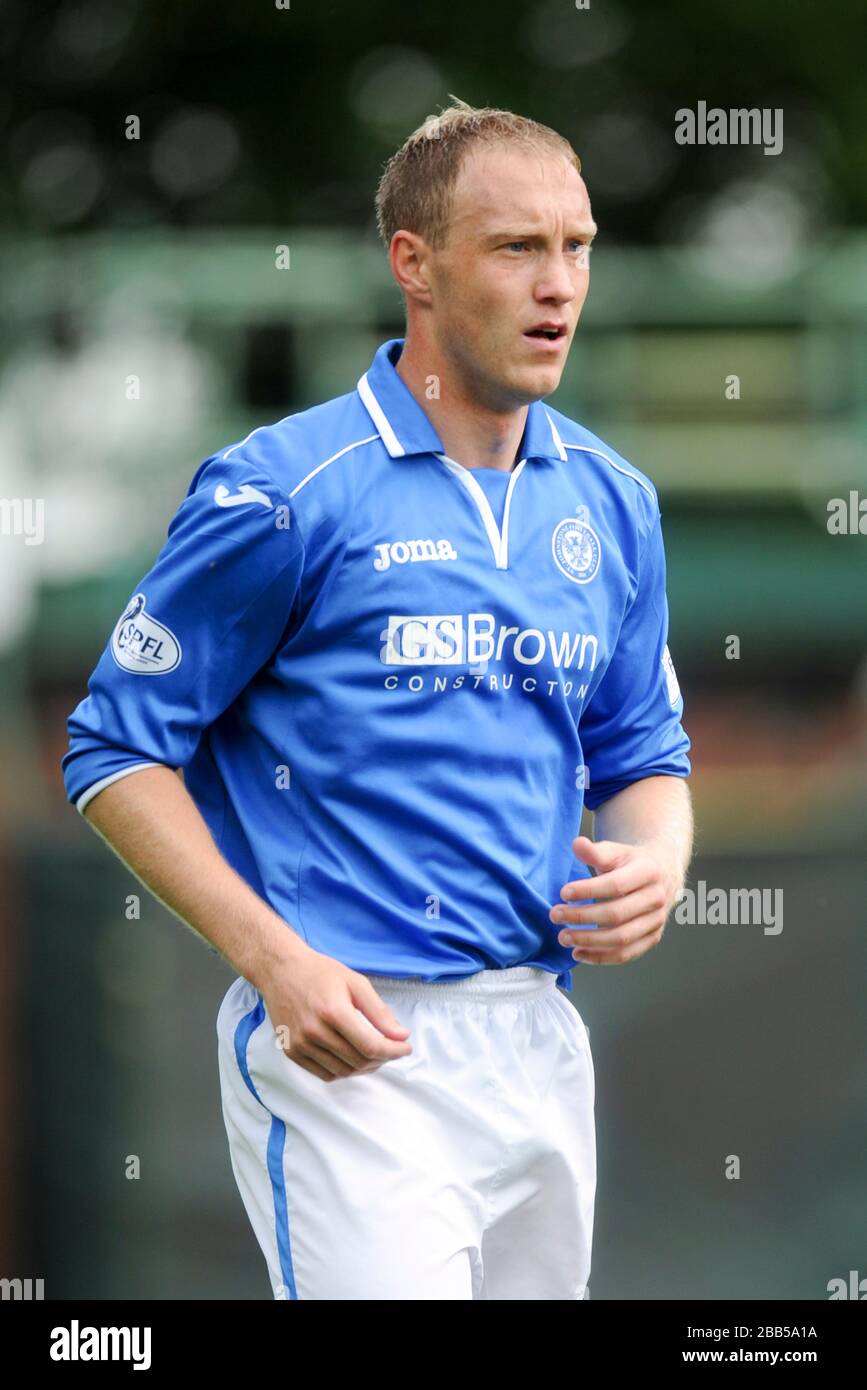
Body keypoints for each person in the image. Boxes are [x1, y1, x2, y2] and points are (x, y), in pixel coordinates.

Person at [62, 98, 694, 1301]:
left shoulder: (614, 504)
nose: (558, 284)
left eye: (579, 246)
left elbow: (642, 750)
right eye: (517, 248)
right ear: (416, 263)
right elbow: (112, 750)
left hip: (539, 1040)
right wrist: (276, 961)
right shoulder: (284, 492)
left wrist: (657, 857)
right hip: (351, 1049)